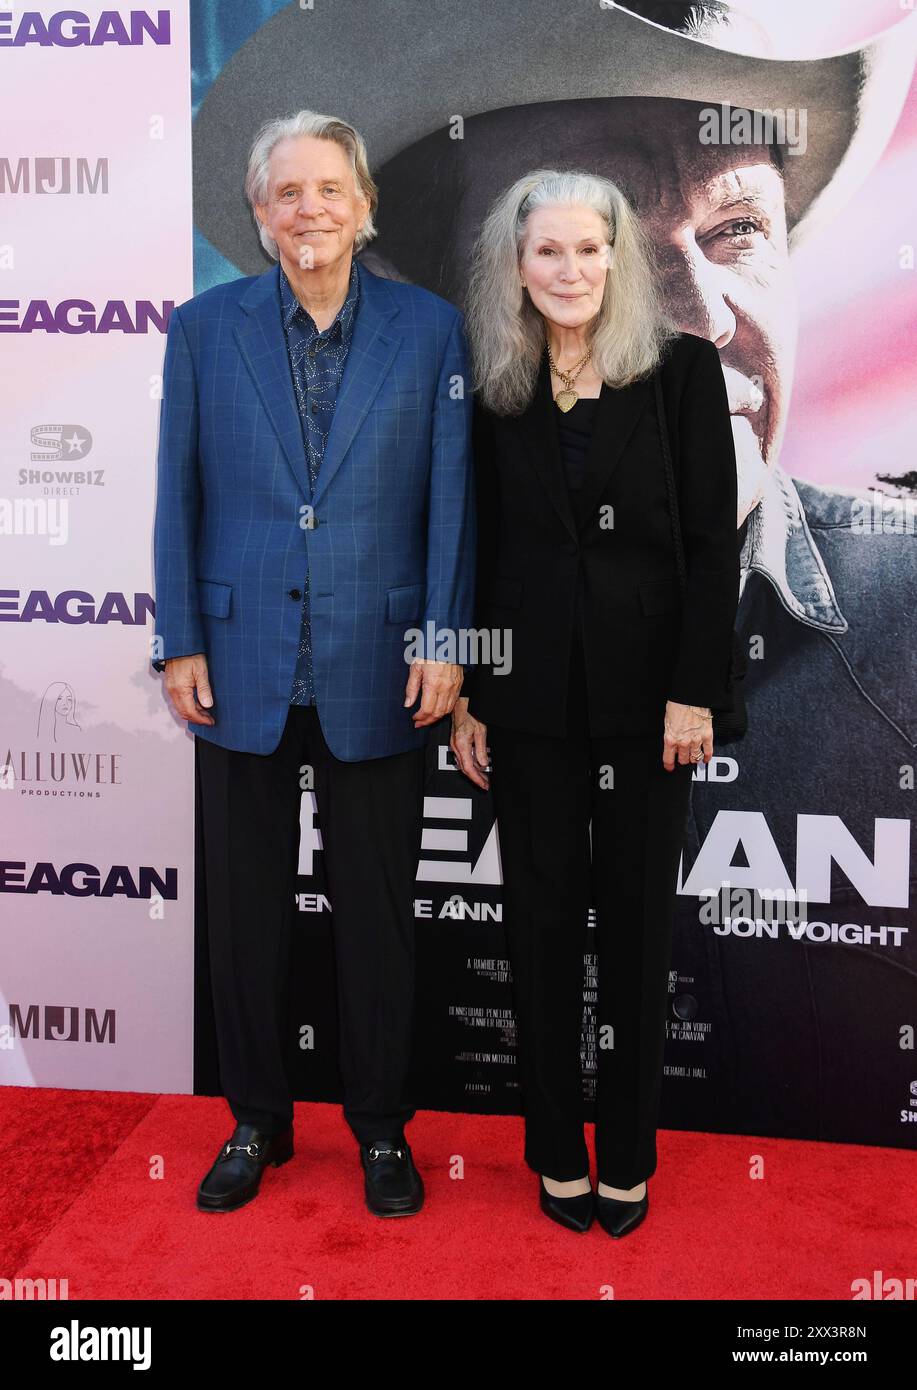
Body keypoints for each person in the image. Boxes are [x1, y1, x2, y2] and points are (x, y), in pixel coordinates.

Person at [152, 110, 474, 1217]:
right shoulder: (201, 329)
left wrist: (443, 640)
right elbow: (176, 496)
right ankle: (255, 1120)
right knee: (243, 917)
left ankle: (381, 1130)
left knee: (377, 914)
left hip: (377, 662)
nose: (308, 210)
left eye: (328, 189)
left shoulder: (430, 331)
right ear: (258, 212)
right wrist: (180, 634)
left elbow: (451, 503)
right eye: (285, 192)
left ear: (363, 204)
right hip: (236, 660)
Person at [451, 169, 739, 1236]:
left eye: (587, 248)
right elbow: (474, 554)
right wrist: (470, 692)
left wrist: (690, 692)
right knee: (534, 932)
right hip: (524, 711)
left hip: (645, 709)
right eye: (545, 252)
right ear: (514, 267)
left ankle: (626, 1152)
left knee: (631, 936)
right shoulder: (497, 387)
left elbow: (714, 547)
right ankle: (548, 1148)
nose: (568, 270)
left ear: (618, 256)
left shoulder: (678, 374)